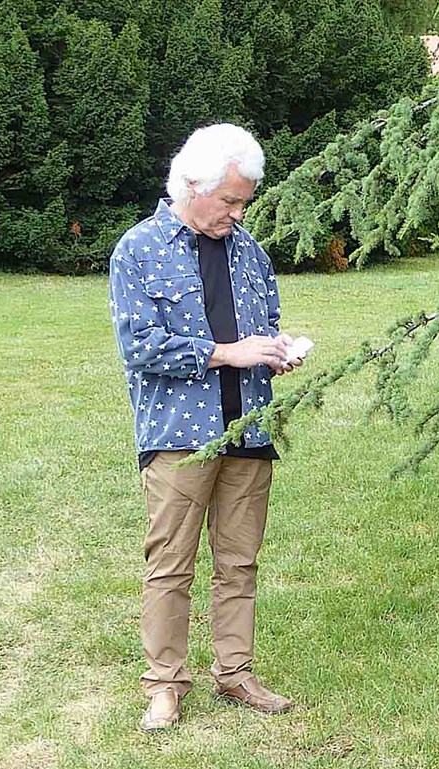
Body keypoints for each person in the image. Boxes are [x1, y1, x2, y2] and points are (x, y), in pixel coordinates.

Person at [110, 123, 305, 733]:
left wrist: (275, 348)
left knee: (239, 560)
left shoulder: (248, 250)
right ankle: (165, 685)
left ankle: (236, 671)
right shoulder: (139, 249)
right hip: (179, 438)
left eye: (244, 200)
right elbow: (139, 347)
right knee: (171, 564)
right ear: (191, 186)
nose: (237, 212)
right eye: (229, 200)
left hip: (247, 428)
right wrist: (228, 352)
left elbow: (263, 321)